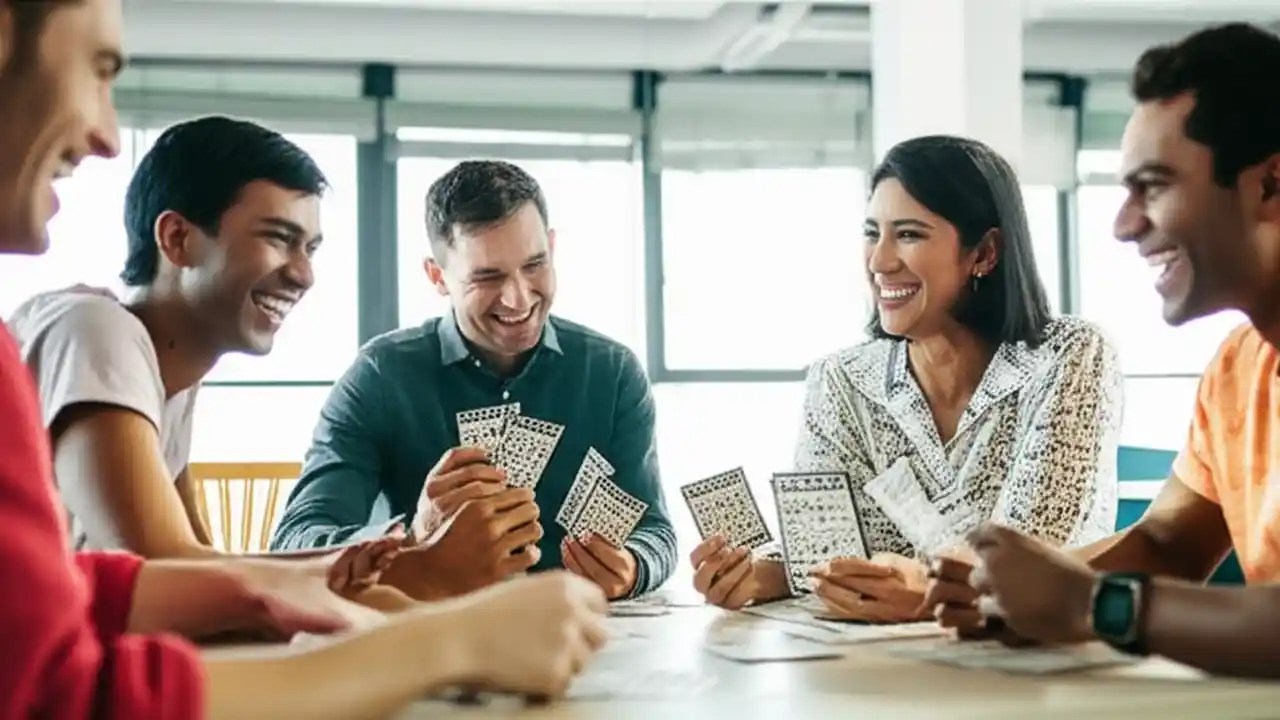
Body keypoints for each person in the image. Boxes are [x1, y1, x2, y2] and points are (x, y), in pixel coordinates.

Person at [0, 1, 606, 716]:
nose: (305, 274)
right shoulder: (98, 330)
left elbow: (180, 575)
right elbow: (163, 567)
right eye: (279, 238)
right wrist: (430, 599)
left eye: (312, 248)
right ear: (179, 240)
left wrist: (369, 568)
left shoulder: (167, 377)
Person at [924, 23, 1280, 680]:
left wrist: (1095, 604)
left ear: (1270, 184)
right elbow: (1168, 542)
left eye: (1155, 186)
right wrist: (1013, 593)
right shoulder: (1239, 366)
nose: (1124, 225)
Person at [690, 135, 1124, 620]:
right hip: (885, 668)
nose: (879, 261)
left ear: (984, 253)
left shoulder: (1068, 356)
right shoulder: (841, 381)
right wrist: (761, 574)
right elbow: (829, 553)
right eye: (872, 233)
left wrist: (926, 594)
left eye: (910, 234)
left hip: (1037, 658)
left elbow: (1034, 555)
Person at [271, 159, 677, 602]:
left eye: (535, 264)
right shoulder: (380, 377)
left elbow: (654, 530)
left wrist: (632, 568)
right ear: (437, 276)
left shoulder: (613, 374)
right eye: (488, 277)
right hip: (430, 639)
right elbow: (295, 542)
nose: (518, 297)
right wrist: (411, 538)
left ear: (553, 248)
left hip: (582, 634)